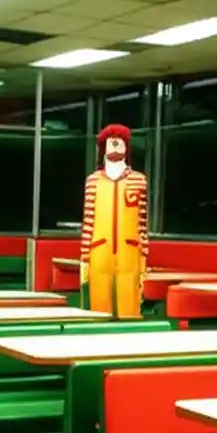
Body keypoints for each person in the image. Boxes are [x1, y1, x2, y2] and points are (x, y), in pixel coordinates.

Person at [79, 124, 149, 319]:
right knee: (99, 308)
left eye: (120, 140)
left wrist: (144, 258)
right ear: (103, 147)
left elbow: (142, 223)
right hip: (99, 247)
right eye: (111, 140)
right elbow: (88, 220)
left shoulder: (139, 180)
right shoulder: (93, 181)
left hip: (130, 249)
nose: (116, 144)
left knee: (130, 307)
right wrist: (84, 258)